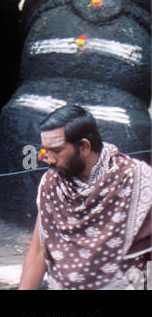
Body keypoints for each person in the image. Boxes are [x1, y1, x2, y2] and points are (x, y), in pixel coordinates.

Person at [18, 104, 152, 290]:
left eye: (56, 151)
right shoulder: (52, 183)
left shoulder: (136, 180)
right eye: (45, 151)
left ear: (84, 147)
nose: (49, 159)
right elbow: (37, 251)